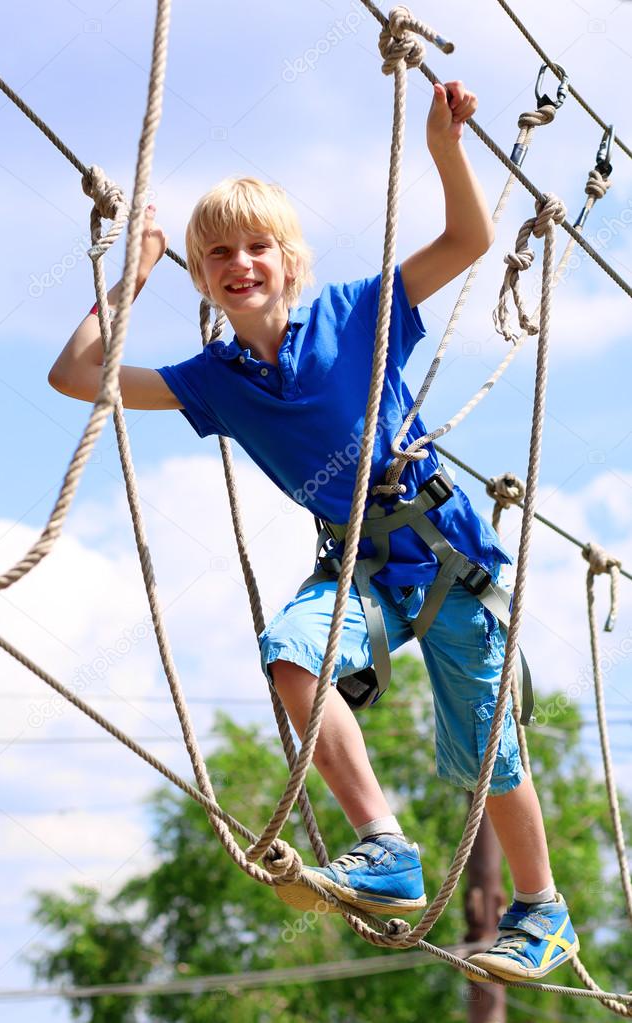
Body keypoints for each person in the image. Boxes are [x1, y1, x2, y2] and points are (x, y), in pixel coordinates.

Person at [49, 80, 578, 982]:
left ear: (291, 260)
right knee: (292, 655)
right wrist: (133, 275)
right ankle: (385, 847)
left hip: (445, 556)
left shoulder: (356, 312)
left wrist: (446, 149)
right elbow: (78, 375)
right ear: (204, 277)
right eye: (218, 252)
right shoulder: (214, 378)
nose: (239, 262)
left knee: (489, 749)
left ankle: (542, 907)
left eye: (258, 246)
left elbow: (468, 241)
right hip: (362, 569)